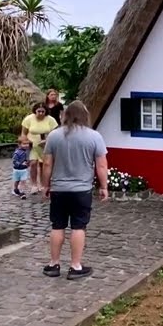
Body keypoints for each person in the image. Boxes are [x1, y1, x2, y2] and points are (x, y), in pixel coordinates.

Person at [42, 100, 108, 281]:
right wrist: (104, 187)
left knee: (57, 225)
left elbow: (47, 163)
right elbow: (101, 166)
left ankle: (53, 264)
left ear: (67, 115)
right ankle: (75, 266)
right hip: (81, 189)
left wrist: (45, 185)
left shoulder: (54, 136)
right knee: (79, 226)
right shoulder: (94, 137)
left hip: (59, 189)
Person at [21, 103, 57, 194]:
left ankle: (43, 184)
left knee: (43, 165)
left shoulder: (50, 120)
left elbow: (55, 134)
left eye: (43, 111)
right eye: (39, 111)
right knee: (33, 163)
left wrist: (47, 141)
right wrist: (26, 141)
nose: (40, 113)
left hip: (45, 145)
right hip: (33, 145)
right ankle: (34, 185)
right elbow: (24, 133)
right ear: (35, 111)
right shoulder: (29, 119)